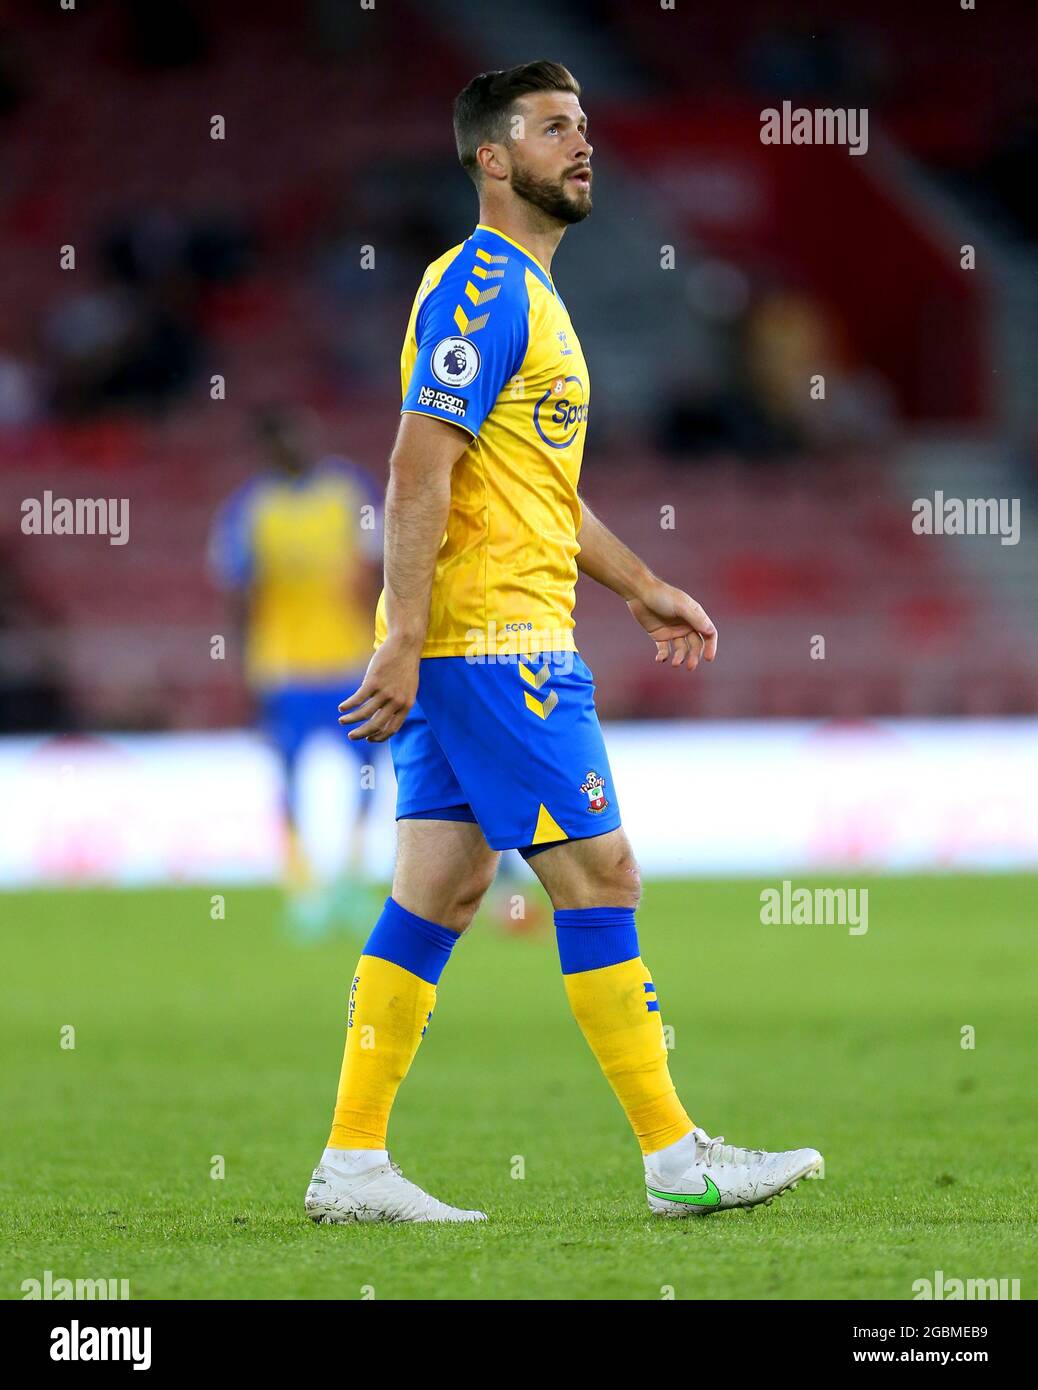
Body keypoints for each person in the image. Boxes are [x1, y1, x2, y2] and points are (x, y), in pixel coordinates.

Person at [305, 61, 823, 1222]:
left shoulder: (529, 296)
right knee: (603, 875)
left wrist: (641, 585)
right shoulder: (482, 290)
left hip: (481, 638)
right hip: (492, 644)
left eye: (584, 126)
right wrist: (407, 639)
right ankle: (674, 1156)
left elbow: (534, 487)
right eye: (551, 130)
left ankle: (351, 1160)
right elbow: (413, 465)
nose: (581, 145)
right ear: (493, 158)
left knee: (439, 891)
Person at [209, 408, 382, 937]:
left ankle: (350, 878)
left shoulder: (349, 491)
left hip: (350, 660)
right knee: (289, 777)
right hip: (282, 668)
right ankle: (303, 887)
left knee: (367, 772)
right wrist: (243, 667)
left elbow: (379, 570)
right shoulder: (250, 508)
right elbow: (239, 594)